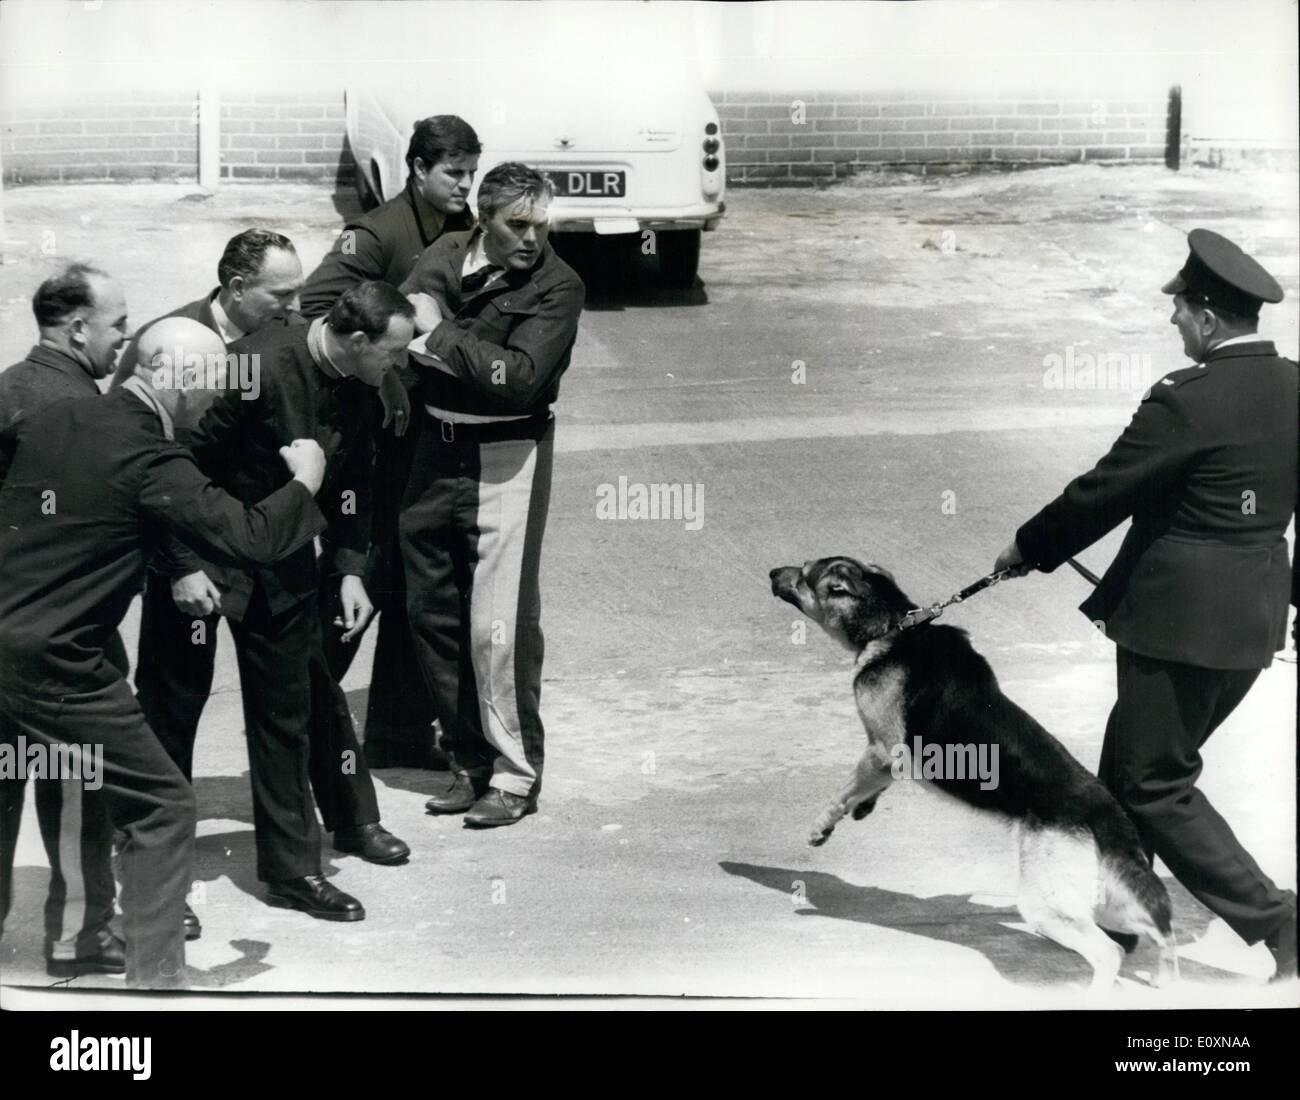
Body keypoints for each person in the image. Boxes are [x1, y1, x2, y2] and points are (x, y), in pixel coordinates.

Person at [995, 228, 1298, 981]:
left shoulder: (1184, 402)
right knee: (1125, 763)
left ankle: (1279, 920)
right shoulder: (1295, 386)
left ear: (1205, 316)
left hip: (1177, 627)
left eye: (1179, 309)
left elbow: (1103, 491)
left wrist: (1028, 547)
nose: (1172, 323)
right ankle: (1124, 914)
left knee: (1151, 781)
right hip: (1251, 623)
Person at [0, 316, 329, 987]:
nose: (216, 397)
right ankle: (156, 986)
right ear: (170, 376)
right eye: (210, 383)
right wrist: (305, 484)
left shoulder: (57, 419)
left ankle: (83, 942)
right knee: (162, 806)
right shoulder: (154, 456)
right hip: (57, 659)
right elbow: (253, 539)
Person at [157, 282, 416, 919]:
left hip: (280, 556)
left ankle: (296, 868)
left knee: (292, 710)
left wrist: (351, 569)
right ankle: (156, 876)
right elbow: (169, 464)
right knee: (171, 715)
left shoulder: (363, 380)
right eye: (393, 353)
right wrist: (181, 566)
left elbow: (354, 481)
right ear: (355, 341)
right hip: (198, 556)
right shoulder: (254, 367)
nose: (401, 366)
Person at [399, 162, 585, 827]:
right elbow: (403, 319)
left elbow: (518, 382)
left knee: (497, 627)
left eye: (542, 224)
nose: (534, 239)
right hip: (432, 450)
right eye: (518, 225)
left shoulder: (559, 287)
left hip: (508, 452)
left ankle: (515, 775)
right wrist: (446, 339)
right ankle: (467, 762)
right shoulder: (446, 252)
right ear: (485, 218)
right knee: (434, 614)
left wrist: (443, 333)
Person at [298, 115, 481, 770]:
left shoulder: (467, 232)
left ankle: (399, 732)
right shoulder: (377, 233)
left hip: (429, 439)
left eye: (471, 172)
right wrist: (385, 381)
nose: (465, 185)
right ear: (417, 170)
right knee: (362, 572)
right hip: (374, 441)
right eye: (453, 174)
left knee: (417, 579)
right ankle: (296, 717)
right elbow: (313, 309)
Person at [0, 263, 127, 977]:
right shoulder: (84, 410)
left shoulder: (8, 391)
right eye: (117, 323)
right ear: (78, 329)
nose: (124, 337)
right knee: (78, 786)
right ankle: (78, 940)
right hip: (65, 641)